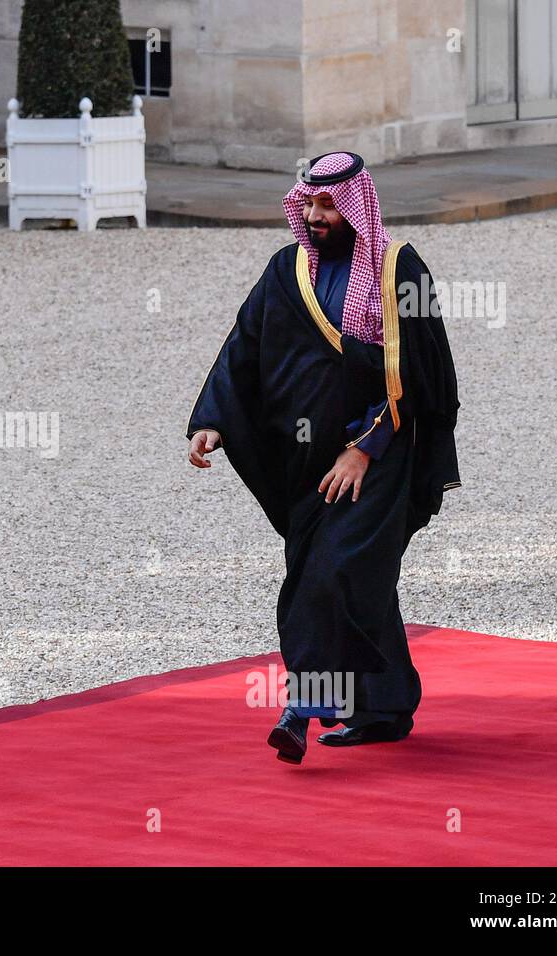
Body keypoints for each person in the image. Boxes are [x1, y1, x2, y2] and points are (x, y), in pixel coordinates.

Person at [186, 151, 461, 765]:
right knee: (356, 584)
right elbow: (244, 347)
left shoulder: (401, 271)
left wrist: (364, 450)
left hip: (380, 456)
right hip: (306, 462)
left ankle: (302, 706)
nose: (314, 216)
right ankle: (384, 706)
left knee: (332, 575)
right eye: (307, 204)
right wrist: (213, 418)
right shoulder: (287, 271)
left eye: (328, 206)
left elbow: (422, 374)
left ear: (358, 208)